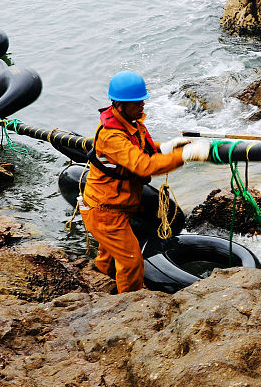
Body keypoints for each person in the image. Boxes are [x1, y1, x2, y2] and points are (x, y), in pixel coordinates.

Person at [80, 71, 194, 293]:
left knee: (110, 255)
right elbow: (144, 166)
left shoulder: (131, 123)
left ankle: (101, 284)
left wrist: (166, 147)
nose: (142, 105)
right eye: (136, 102)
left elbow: (142, 147)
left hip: (116, 205)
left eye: (142, 100)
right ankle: (130, 306)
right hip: (105, 210)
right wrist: (185, 156)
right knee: (131, 261)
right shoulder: (111, 135)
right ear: (119, 105)